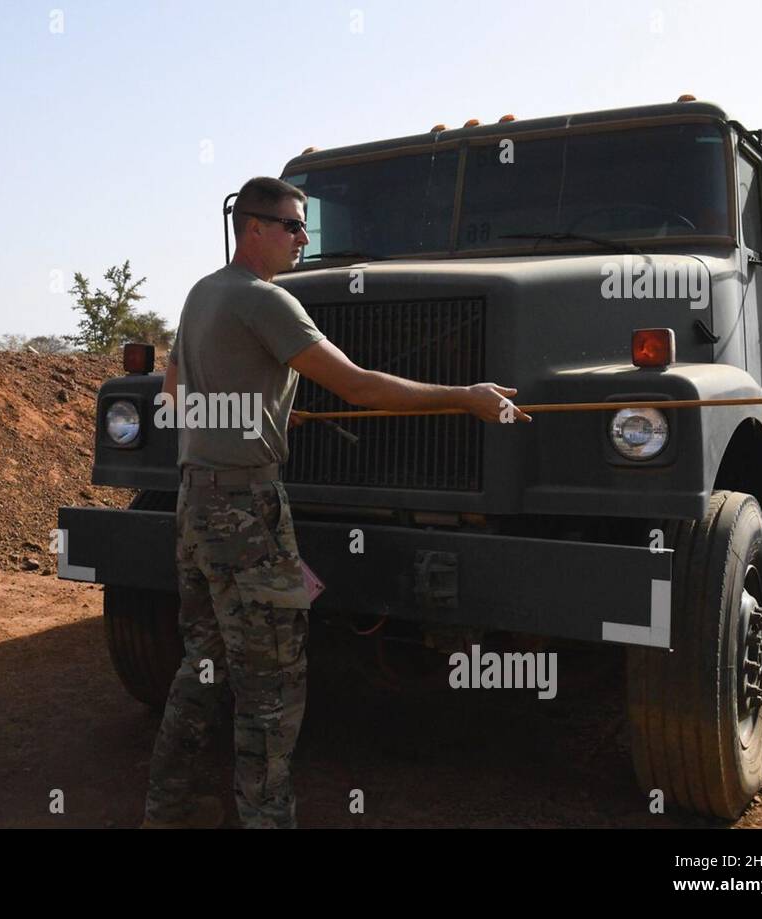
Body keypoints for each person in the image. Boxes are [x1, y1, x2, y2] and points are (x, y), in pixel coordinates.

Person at [141, 176, 530, 829]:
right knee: (272, 685)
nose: (303, 238)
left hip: (195, 506)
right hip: (246, 511)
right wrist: (466, 396)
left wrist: (255, 417)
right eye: (293, 226)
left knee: (202, 662)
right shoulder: (267, 301)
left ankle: (166, 808)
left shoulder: (201, 293)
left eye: (304, 226)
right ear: (254, 228)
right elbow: (359, 387)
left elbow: (176, 392)